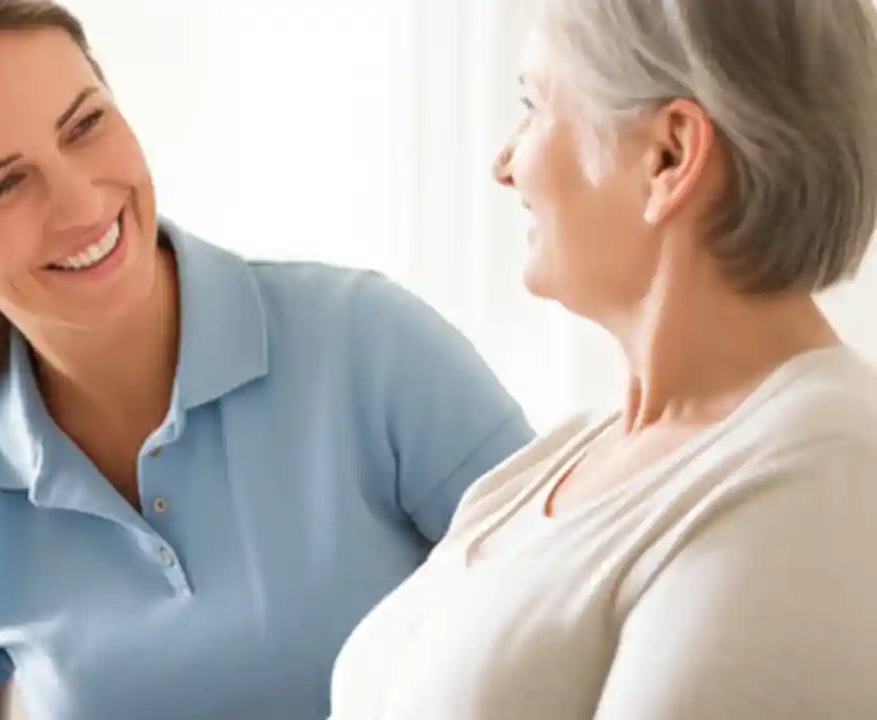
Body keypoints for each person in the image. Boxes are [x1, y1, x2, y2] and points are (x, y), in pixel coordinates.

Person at [0, 1, 532, 718]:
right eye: (2, 186)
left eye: (85, 125)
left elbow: (575, 619)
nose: (81, 203)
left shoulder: (370, 347)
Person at [331, 0, 877, 717]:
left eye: (533, 105)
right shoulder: (561, 458)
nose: (503, 163)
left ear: (668, 157)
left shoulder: (819, 472)